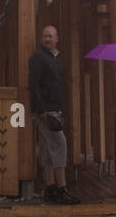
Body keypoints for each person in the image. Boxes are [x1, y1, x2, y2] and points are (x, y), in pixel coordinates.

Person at [28, 25, 80, 204]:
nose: (47, 39)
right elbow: (33, 86)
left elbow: (55, 86)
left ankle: (50, 189)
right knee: (60, 145)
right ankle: (62, 188)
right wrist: (42, 111)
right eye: (45, 36)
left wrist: (59, 111)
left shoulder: (55, 58)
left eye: (50, 36)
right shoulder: (38, 58)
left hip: (54, 109)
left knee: (50, 150)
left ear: (57, 38)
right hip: (45, 111)